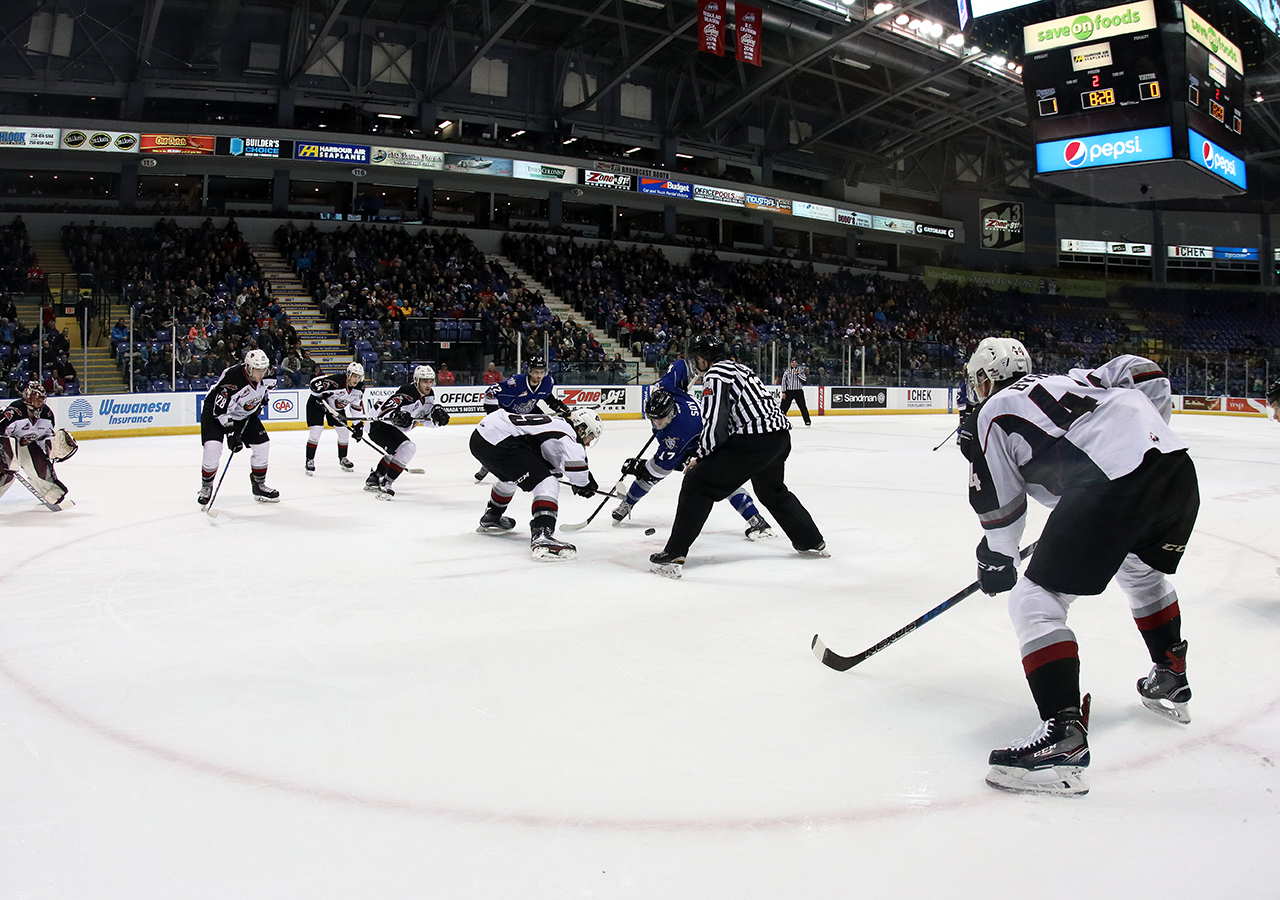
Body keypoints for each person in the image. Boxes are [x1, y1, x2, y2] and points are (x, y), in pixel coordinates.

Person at [959, 339, 1197, 796]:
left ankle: (1061, 742)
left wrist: (997, 558)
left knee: (1034, 599)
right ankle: (1170, 675)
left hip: (1115, 483)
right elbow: (1145, 372)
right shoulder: (1072, 377)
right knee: (1141, 571)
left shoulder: (992, 412)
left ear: (986, 379)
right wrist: (1143, 434)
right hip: (1175, 469)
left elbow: (1002, 511)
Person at [649, 335, 826, 578]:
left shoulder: (715, 375)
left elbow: (715, 425)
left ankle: (675, 553)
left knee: (697, 483)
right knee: (772, 491)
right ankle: (810, 540)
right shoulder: (740, 368)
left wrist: (700, 456)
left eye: (696, 359)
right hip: (779, 437)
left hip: (754, 440)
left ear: (702, 359)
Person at [613, 384, 774, 541]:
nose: (656, 423)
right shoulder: (670, 389)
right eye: (652, 419)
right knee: (653, 475)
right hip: (698, 443)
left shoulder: (678, 434)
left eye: (660, 419)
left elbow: (660, 467)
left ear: (671, 413)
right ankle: (628, 503)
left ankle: (756, 519)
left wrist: (640, 467)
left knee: (721, 481)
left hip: (714, 447)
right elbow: (680, 366)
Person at [470, 406, 602, 560]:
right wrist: (584, 483)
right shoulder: (570, 435)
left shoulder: (557, 424)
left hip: (481, 437)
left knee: (512, 476)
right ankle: (542, 535)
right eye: (591, 437)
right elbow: (576, 469)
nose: (588, 443)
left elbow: (548, 460)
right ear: (582, 429)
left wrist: (582, 479)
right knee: (548, 483)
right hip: (500, 441)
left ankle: (492, 516)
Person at [198, 349, 279, 506]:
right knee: (213, 448)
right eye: (257, 370)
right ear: (248, 368)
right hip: (215, 411)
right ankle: (206, 487)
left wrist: (260, 403)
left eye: (263, 370)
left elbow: (265, 391)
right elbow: (221, 410)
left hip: (242, 413)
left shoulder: (270, 374)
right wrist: (231, 434)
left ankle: (259, 485)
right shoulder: (233, 377)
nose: (261, 374)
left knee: (263, 445)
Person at [474, 356, 570, 482]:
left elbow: (545, 395)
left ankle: (548, 466)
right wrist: (494, 415)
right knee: (505, 444)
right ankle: (487, 465)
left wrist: (558, 406)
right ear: (529, 371)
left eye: (542, 372)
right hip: (509, 415)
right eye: (536, 372)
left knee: (540, 437)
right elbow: (491, 392)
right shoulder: (516, 383)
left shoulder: (547, 381)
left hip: (528, 412)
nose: (539, 375)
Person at [364, 364, 450, 499]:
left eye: (430, 381)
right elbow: (384, 411)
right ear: (417, 381)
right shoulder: (407, 392)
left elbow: (424, 419)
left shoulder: (429, 396)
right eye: (424, 381)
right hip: (378, 425)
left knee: (398, 452)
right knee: (407, 448)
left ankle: (374, 478)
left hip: (391, 428)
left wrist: (437, 421)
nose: (428, 385)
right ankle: (387, 482)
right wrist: (396, 415)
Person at [1, 381, 73, 508]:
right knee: (7, 474)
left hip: (26, 445)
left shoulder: (47, 415)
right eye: (36, 398)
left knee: (41, 467)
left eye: (41, 399)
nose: (39, 402)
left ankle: (51, 494)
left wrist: (52, 449)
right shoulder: (14, 412)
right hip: (7, 446)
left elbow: (45, 439)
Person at [304, 361, 367, 475]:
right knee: (316, 431)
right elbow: (314, 384)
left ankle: (343, 458)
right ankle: (310, 460)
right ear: (348, 374)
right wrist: (319, 397)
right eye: (354, 376)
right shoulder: (336, 381)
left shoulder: (359, 388)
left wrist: (358, 426)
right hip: (317, 404)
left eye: (358, 377)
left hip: (335, 408)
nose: (356, 380)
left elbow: (355, 408)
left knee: (344, 433)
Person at [779, 358, 811, 426]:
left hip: (798, 391)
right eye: (792, 362)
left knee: (802, 406)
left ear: (796, 363)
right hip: (789, 391)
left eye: (795, 362)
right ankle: (780, 420)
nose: (793, 363)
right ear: (790, 363)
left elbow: (804, 379)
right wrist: (783, 391)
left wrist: (797, 374)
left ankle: (807, 420)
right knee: (784, 407)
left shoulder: (800, 370)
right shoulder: (787, 371)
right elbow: (784, 382)